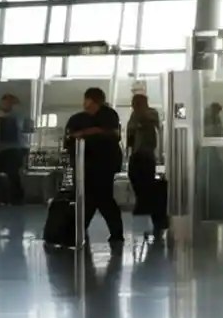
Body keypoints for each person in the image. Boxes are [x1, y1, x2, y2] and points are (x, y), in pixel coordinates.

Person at [65, 87, 125, 243]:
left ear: (93, 101)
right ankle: (79, 231)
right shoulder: (78, 118)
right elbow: (69, 139)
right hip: (84, 164)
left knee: (102, 199)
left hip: (103, 165)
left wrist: (86, 133)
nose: (85, 103)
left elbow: (112, 134)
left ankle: (114, 233)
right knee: (88, 199)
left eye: (87, 100)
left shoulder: (108, 115)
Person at [126, 93, 167, 236]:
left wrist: (140, 118)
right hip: (136, 154)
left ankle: (154, 215)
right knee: (134, 178)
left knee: (148, 185)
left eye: (137, 103)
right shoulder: (134, 115)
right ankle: (144, 205)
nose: (134, 105)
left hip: (147, 154)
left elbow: (153, 125)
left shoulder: (151, 113)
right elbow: (130, 133)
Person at [0, 94, 26, 205]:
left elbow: (11, 119)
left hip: (14, 149)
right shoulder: (0, 115)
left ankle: (16, 200)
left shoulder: (17, 115)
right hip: (1, 149)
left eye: (9, 102)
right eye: (5, 102)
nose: (6, 105)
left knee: (13, 174)